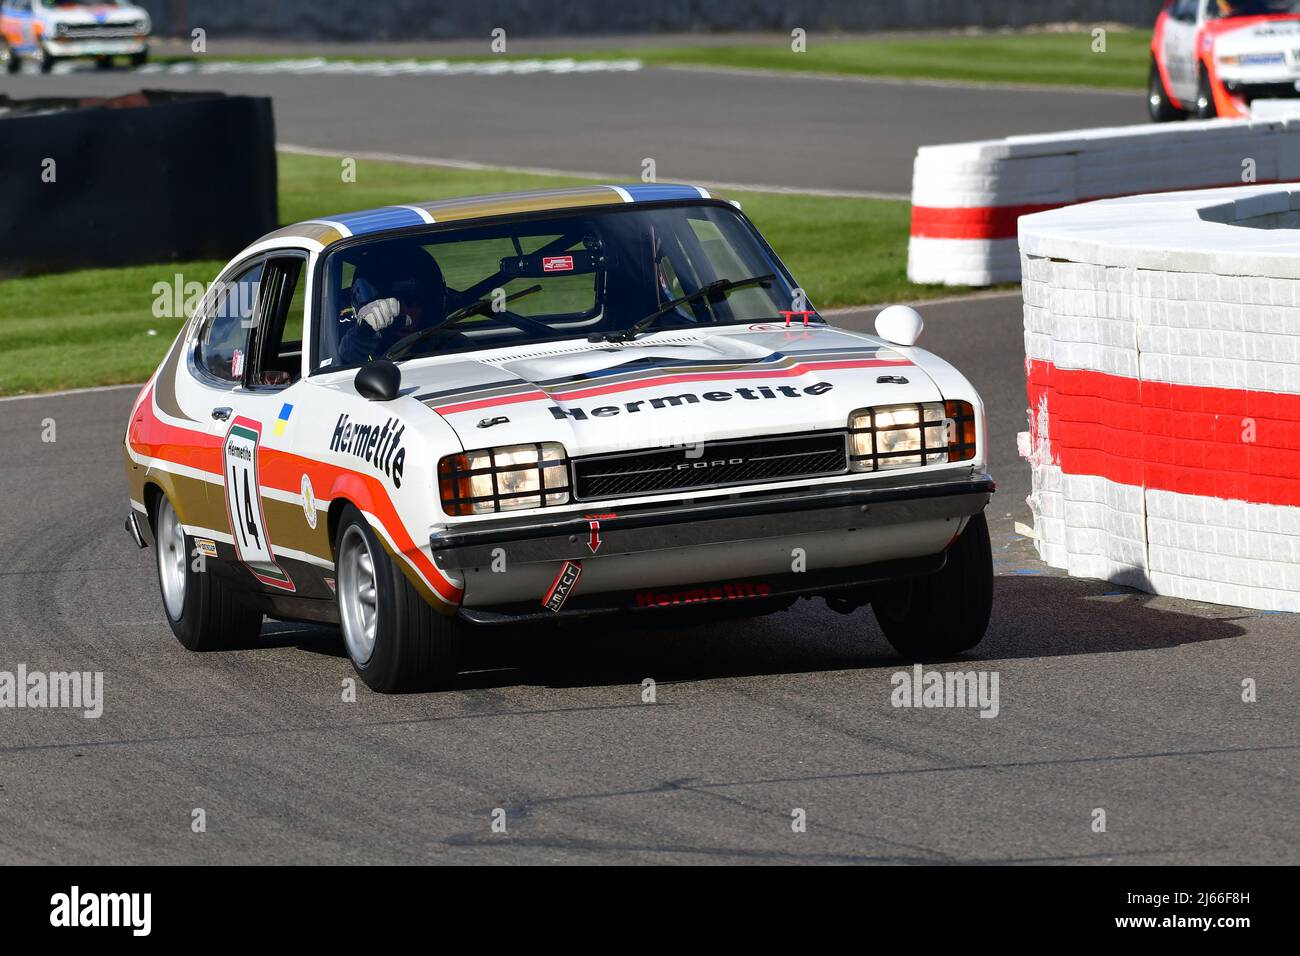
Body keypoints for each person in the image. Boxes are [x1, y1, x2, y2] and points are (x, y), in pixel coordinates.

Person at [337, 245, 447, 365]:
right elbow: (338, 368)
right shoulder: (349, 341)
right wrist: (363, 333)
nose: (402, 312)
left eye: (411, 302)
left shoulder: (452, 344)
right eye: (389, 304)